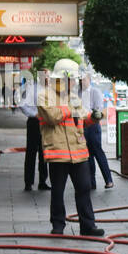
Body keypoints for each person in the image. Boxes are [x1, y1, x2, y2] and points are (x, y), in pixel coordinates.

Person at [38, 59, 104, 237]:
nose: (76, 83)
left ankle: (88, 226)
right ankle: (58, 225)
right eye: (73, 79)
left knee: (84, 187)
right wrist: (69, 107)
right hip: (58, 152)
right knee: (57, 191)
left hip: (78, 151)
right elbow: (52, 117)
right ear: (63, 79)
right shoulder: (44, 96)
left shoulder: (73, 97)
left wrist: (94, 117)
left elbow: (82, 117)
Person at [81, 72, 114, 190]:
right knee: (87, 155)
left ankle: (108, 179)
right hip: (82, 125)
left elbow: (99, 108)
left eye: (84, 79)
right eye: (80, 80)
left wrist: (90, 114)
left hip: (93, 125)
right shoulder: (78, 93)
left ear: (89, 79)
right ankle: (92, 182)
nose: (82, 82)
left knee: (98, 152)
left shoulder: (95, 92)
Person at [18, 71, 49, 191]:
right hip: (34, 123)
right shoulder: (33, 88)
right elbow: (22, 104)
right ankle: (28, 182)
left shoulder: (50, 90)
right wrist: (34, 114)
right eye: (45, 76)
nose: (47, 78)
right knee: (31, 152)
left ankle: (43, 181)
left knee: (44, 153)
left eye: (48, 76)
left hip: (46, 123)